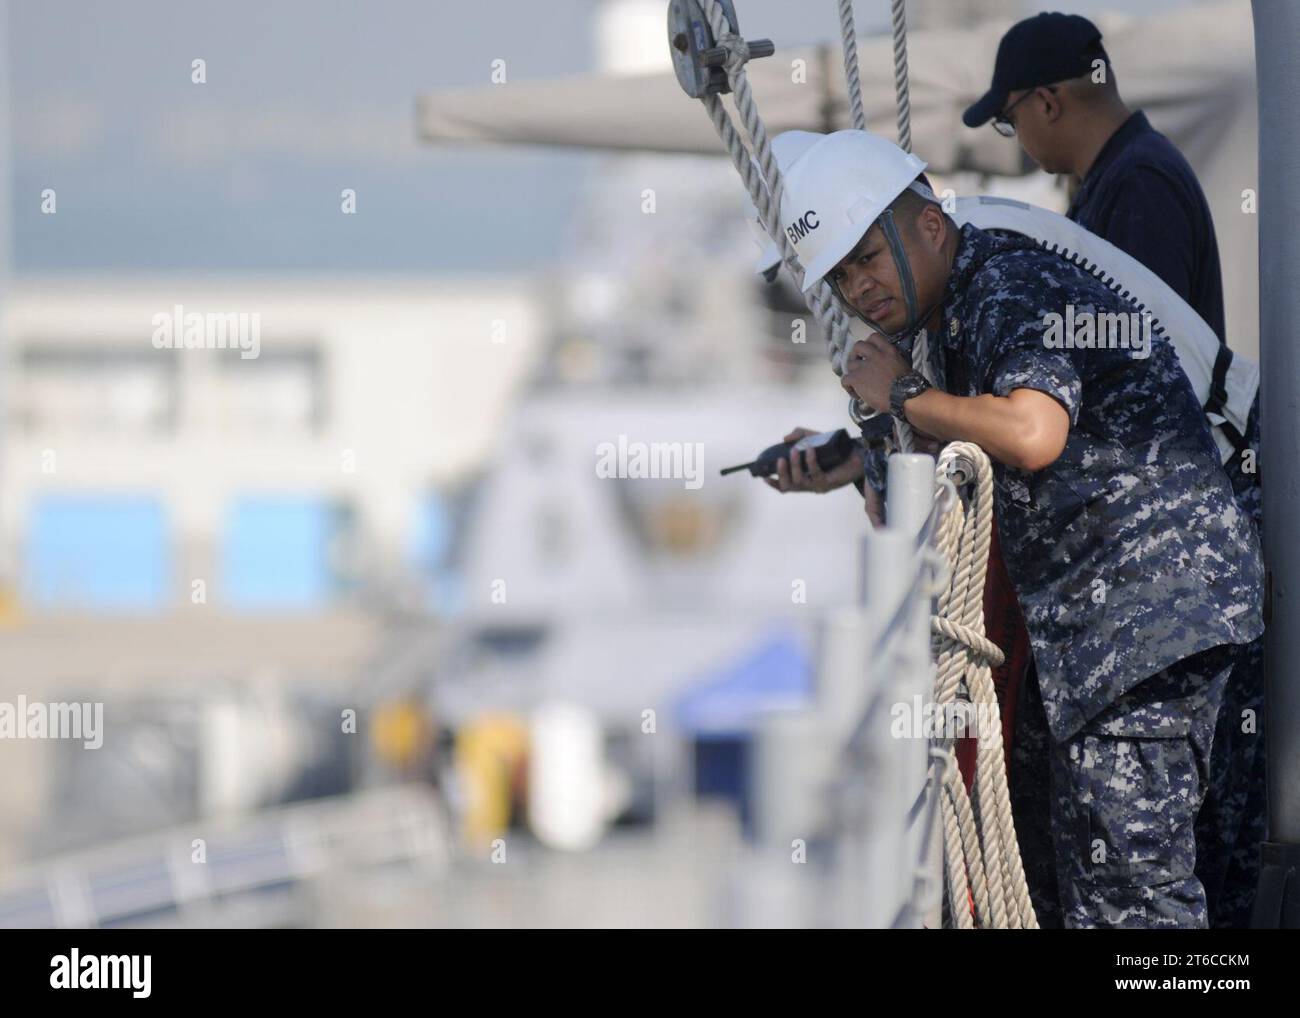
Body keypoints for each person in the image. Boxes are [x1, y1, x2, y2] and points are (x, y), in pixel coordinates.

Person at [776, 129, 1263, 928]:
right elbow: (954, 458)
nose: (857, 286)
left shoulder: (1007, 280)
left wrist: (901, 395)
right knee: (1073, 874)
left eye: (866, 255)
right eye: (839, 274)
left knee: (1133, 900)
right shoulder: (948, 318)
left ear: (929, 224)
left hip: (1147, 624)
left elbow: (1035, 432)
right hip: (1105, 636)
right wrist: (864, 457)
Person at [964, 11, 1265, 927]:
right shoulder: (1119, 185)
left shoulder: (1135, 190)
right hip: (1166, 584)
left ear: (1050, 99)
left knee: (1158, 886)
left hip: (1160, 584)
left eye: (1012, 121)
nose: (1015, 142)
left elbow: (1116, 377)